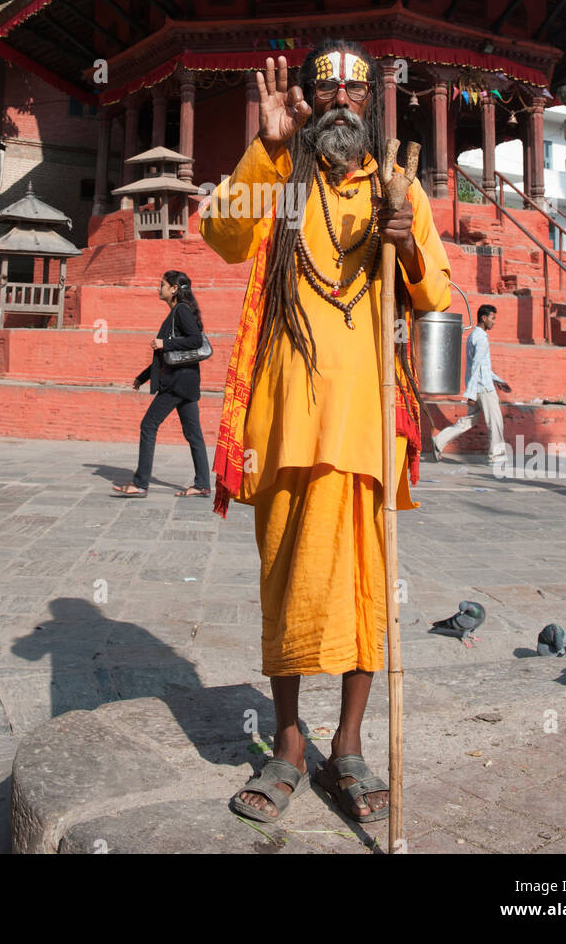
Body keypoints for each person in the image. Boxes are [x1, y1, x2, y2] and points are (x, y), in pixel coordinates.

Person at [200, 44, 451, 823]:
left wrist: (404, 238)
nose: (339, 99)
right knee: (287, 584)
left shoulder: (397, 186)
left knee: (363, 592)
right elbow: (221, 236)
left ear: (370, 103)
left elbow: (436, 294)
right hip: (284, 421)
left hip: (369, 424)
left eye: (352, 88)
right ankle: (286, 744)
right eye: (324, 88)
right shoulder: (280, 181)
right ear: (306, 100)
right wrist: (268, 147)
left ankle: (347, 746)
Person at [116, 270, 211, 498]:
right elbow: (168, 355)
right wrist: (143, 377)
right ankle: (203, 485)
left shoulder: (181, 311)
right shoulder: (178, 312)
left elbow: (195, 340)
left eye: (162, 285)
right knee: (194, 434)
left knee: (148, 425)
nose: (159, 288)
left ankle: (140, 483)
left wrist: (164, 343)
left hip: (177, 383)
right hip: (186, 381)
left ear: (174, 289)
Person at [430, 305, 510, 466]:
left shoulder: (474, 336)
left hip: (480, 386)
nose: (494, 322)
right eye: (492, 318)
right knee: (495, 421)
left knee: (469, 421)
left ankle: (439, 440)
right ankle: (497, 457)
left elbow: (482, 367)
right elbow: (476, 367)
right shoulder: (480, 338)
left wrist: (498, 381)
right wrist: (471, 393)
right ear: (484, 318)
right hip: (484, 389)